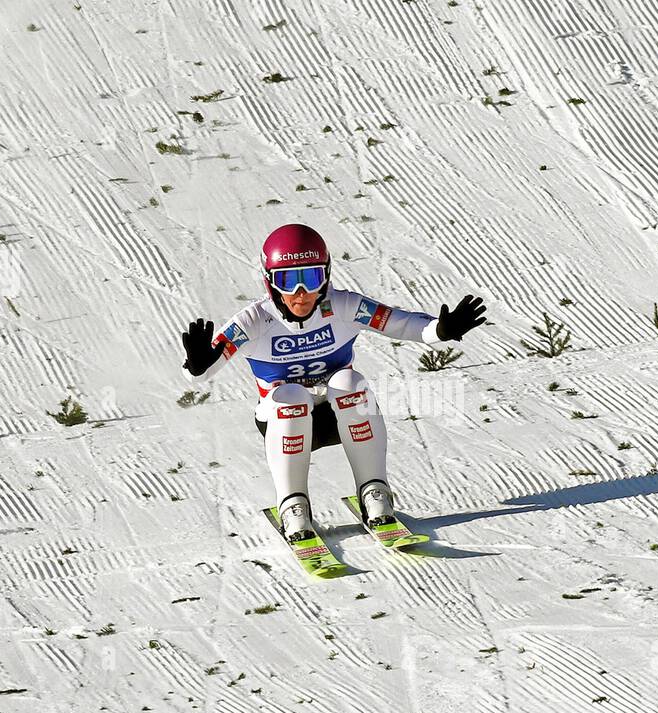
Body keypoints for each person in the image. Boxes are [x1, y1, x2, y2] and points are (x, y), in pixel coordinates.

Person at [181, 223, 486, 541]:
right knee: (292, 395)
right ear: (271, 282)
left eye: (310, 278)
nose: (301, 294)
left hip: (337, 415)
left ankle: (374, 491)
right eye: (288, 281)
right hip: (283, 418)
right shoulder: (255, 320)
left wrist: (440, 330)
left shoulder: (342, 306)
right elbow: (201, 373)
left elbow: (401, 323)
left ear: (325, 277)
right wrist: (198, 363)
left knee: (350, 382)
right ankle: (293, 505)